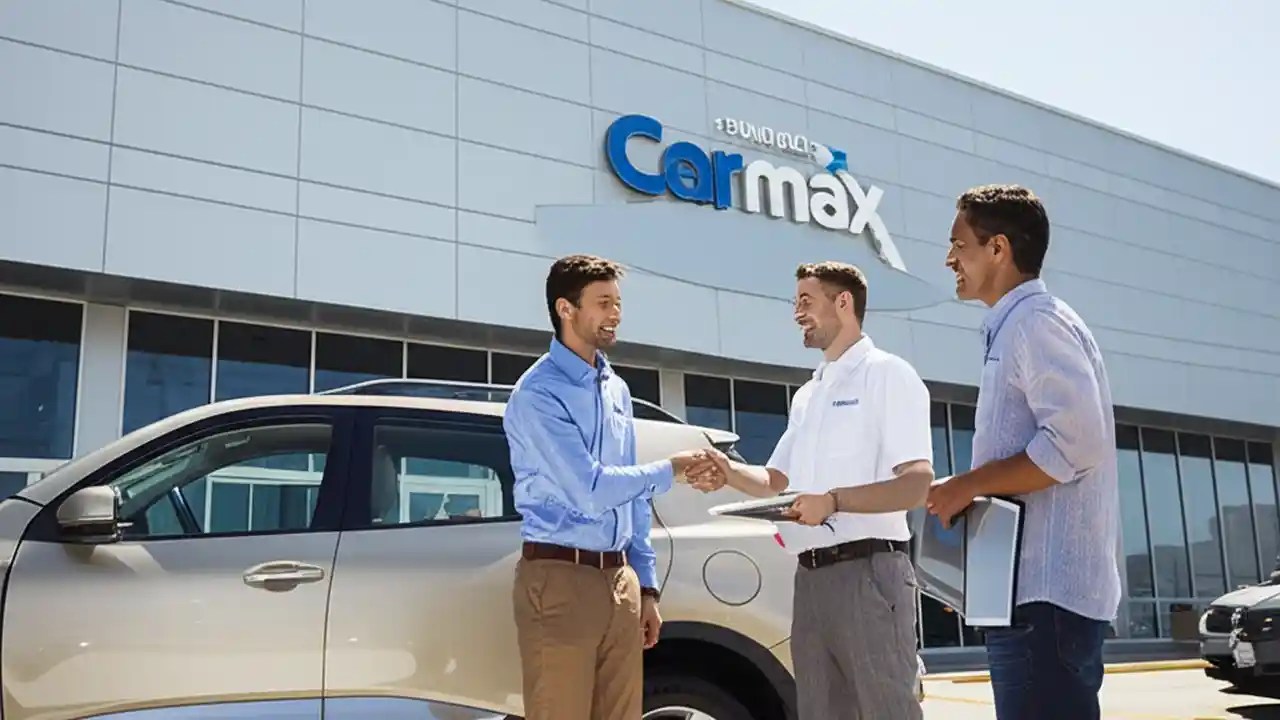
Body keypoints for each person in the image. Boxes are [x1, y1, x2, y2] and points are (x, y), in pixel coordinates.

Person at [688, 261, 935, 720]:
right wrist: (727, 473)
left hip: (870, 573)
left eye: (806, 300)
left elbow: (916, 484)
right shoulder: (809, 395)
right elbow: (775, 481)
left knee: (886, 712)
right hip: (810, 580)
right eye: (795, 302)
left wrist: (835, 502)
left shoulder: (887, 375)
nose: (796, 313)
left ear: (844, 302)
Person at [927, 184, 1121, 720]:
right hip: (1024, 603)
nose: (950, 259)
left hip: (1046, 606)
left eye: (959, 245)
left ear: (998, 249)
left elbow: (1074, 444)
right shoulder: (1016, 326)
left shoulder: (1035, 323)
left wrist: (968, 484)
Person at [503, 254, 706, 720]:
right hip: (559, 581)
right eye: (603, 303)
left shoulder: (616, 389)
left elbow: (631, 492)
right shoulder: (538, 394)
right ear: (565, 309)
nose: (615, 314)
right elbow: (590, 490)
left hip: (620, 584)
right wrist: (671, 468)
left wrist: (647, 586)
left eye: (618, 303)